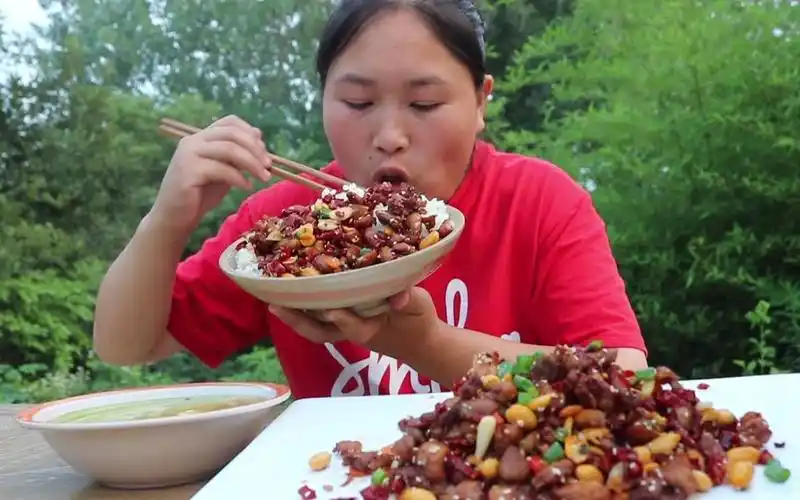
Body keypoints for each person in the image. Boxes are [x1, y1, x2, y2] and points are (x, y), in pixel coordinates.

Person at [93, 0, 648, 399]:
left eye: (425, 104)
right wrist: (167, 220)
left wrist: (426, 343)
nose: (389, 134)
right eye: (357, 102)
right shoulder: (288, 225)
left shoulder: (539, 202)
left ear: (481, 102)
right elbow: (127, 344)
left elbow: (624, 379)